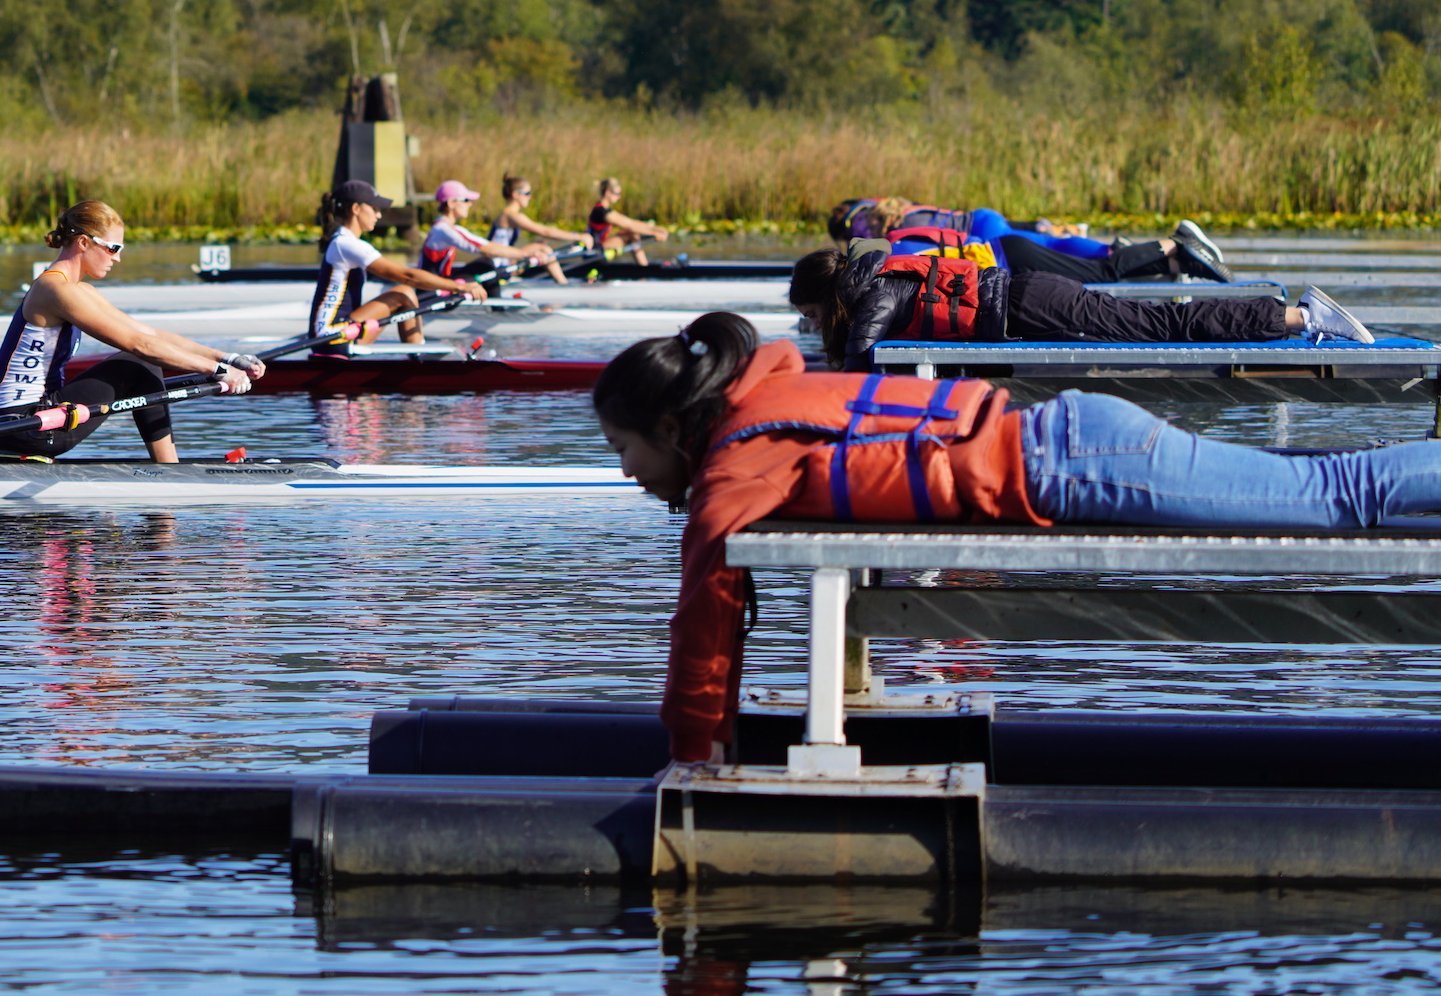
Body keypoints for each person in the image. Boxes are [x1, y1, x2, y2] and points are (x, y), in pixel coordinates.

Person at [595, 310, 1441, 763]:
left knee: (1336, 496)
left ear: (672, 427)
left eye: (624, 449)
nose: (626, 471)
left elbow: (701, 620)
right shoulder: (763, 412)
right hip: (1079, 445)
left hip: (1080, 462)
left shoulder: (737, 465)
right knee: (1321, 485)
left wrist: (692, 753)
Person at [786, 243, 1369, 371]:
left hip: (1033, 305)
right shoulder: (877, 278)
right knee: (1159, 327)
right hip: (1026, 299)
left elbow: (861, 357)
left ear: (829, 296)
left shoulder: (874, 293)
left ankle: (1296, 317)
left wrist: (815, 375)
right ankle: (1289, 317)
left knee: (1164, 329)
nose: (813, 327)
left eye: (812, 316)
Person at [0, 200, 260, 462]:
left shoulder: (78, 290)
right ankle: (169, 472)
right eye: (112, 248)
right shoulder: (56, 290)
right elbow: (140, 346)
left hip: (43, 415)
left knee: (142, 362)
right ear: (83, 242)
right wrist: (217, 372)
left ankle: (168, 471)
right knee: (140, 362)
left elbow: (149, 334)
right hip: (26, 424)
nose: (117, 259)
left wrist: (227, 358)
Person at [828, 197, 1229, 284]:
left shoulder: (887, 240)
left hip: (999, 249)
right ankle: (1176, 262)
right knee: (1086, 259)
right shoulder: (900, 217)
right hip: (993, 233)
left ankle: (1173, 245)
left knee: (1100, 270)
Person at [317, 178, 487, 349]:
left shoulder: (344, 241)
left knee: (405, 294)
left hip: (343, 331)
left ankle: (418, 359)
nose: (379, 215)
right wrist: (459, 287)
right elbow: (407, 276)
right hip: (331, 335)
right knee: (404, 294)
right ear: (356, 209)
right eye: (374, 209)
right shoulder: (345, 244)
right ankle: (419, 361)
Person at [420, 179, 563, 283]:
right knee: (485, 264)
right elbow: (485, 248)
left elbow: (483, 245)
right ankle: (498, 310)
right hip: (433, 290)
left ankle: (496, 305)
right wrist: (524, 254)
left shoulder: (442, 226)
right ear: (451, 203)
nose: (469, 204)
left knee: (484, 265)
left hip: (437, 283)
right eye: (465, 200)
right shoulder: (445, 229)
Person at [488, 175, 588, 253]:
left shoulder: (508, 213)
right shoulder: (512, 215)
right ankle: (562, 280)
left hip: (504, 260)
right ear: (516, 194)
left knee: (539, 245)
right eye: (527, 193)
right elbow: (545, 232)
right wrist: (578, 236)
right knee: (543, 249)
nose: (530, 197)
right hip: (497, 264)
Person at [586, 178, 671, 263]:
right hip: (594, 252)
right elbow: (629, 225)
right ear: (608, 192)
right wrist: (654, 232)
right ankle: (643, 269)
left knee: (630, 234)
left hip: (600, 249)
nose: (619, 197)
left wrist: (655, 229)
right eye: (617, 194)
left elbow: (631, 222)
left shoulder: (605, 210)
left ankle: (644, 268)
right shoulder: (602, 212)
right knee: (631, 234)